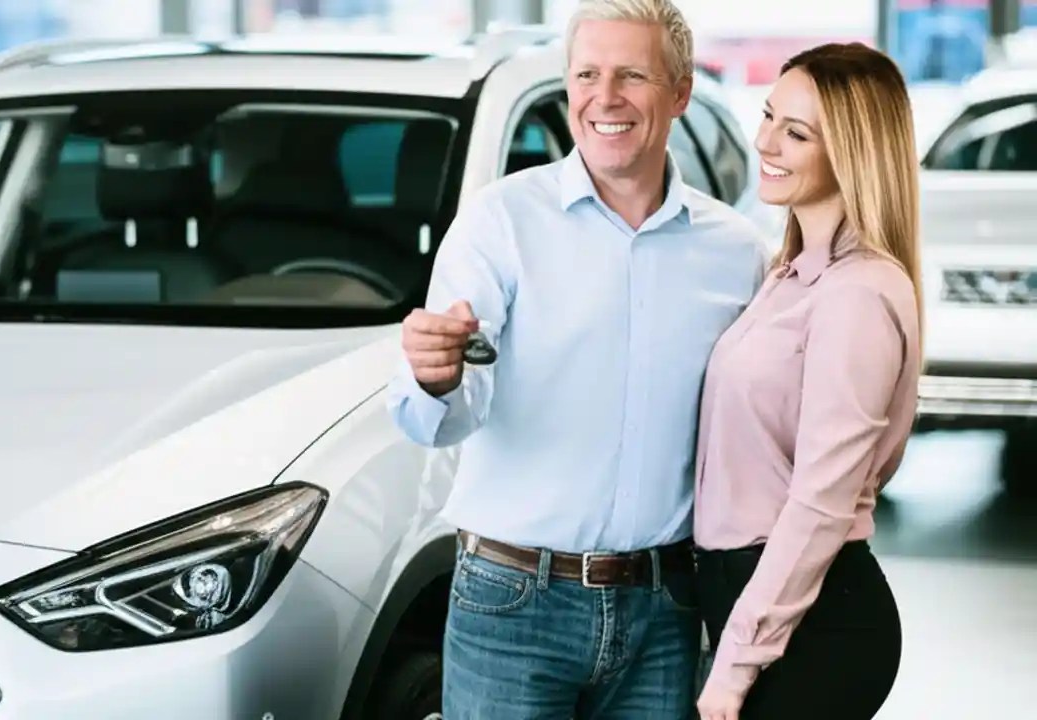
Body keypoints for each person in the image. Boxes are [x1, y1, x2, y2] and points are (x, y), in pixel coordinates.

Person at [387, 1, 769, 717]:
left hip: (665, 607)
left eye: (633, 74)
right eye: (587, 74)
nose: (606, 97)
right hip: (512, 604)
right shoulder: (500, 223)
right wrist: (433, 378)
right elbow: (437, 419)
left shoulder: (738, 253)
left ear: (681, 92)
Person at [692, 43, 922, 720]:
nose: (766, 142)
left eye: (796, 133)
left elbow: (822, 502)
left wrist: (734, 664)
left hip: (814, 625)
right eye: (768, 117)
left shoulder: (857, 294)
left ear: (852, 152)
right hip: (759, 600)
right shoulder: (788, 275)